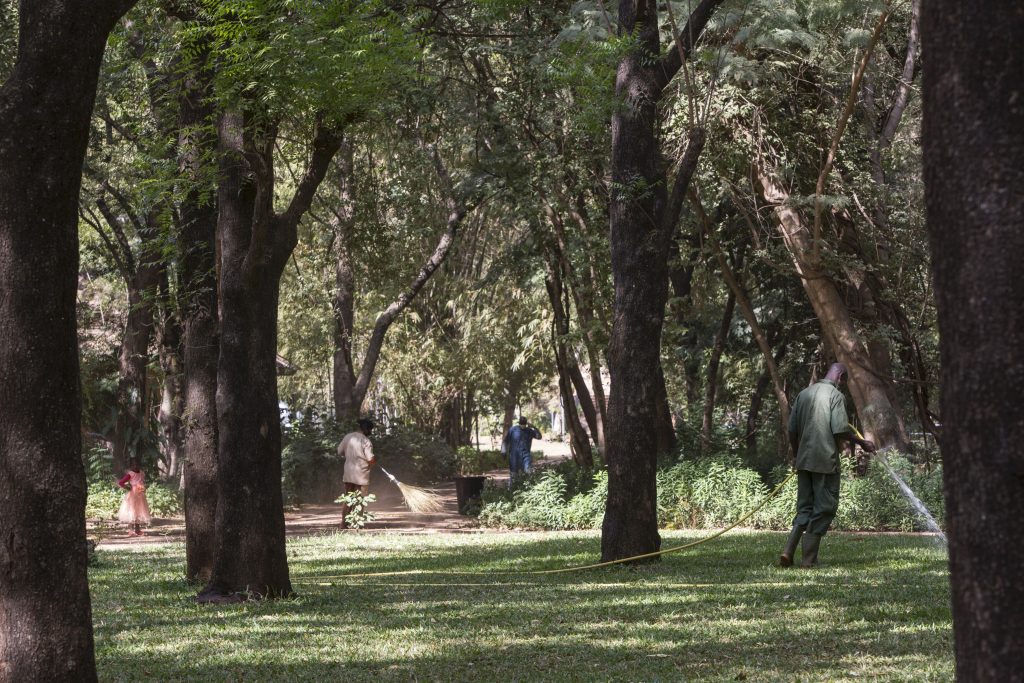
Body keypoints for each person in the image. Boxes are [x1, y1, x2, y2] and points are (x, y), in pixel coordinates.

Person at [780, 362, 876, 568]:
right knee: (824, 507)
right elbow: (840, 430)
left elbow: (791, 430)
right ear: (841, 376)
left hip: (804, 461)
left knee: (804, 508)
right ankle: (809, 560)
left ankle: (788, 551)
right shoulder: (836, 396)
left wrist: (797, 454)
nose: (843, 385)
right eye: (844, 381)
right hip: (824, 461)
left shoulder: (804, 394)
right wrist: (862, 443)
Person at [337, 418, 377, 529]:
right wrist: (373, 461)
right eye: (370, 430)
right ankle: (357, 524)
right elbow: (370, 458)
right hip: (362, 475)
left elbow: (339, 451)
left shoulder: (347, 437)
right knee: (360, 499)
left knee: (348, 498)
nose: (370, 432)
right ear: (366, 429)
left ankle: (343, 524)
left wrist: (350, 455)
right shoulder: (366, 441)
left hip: (348, 473)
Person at [117, 458, 152, 537]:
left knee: (138, 511)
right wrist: (127, 488)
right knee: (132, 511)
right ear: (131, 466)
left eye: (137, 464)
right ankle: (131, 530)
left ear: (140, 465)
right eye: (133, 465)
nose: (135, 466)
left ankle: (137, 530)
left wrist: (143, 488)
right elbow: (121, 482)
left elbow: (141, 482)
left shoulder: (142, 473)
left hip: (140, 495)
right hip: (133, 495)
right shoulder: (131, 474)